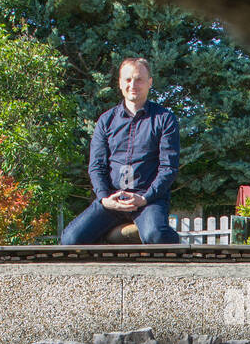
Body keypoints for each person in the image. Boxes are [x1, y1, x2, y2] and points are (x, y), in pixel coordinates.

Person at [60, 57, 182, 244]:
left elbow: (168, 168)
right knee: (71, 239)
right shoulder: (106, 121)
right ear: (119, 83)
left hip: (147, 199)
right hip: (113, 199)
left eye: (139, 79)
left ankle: (173, 241)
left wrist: (144, 197)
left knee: (156, 236)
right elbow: (97, 166)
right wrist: (104, 198)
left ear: (150, 82)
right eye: (127, 79)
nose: (133, 84)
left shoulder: (164, 119)